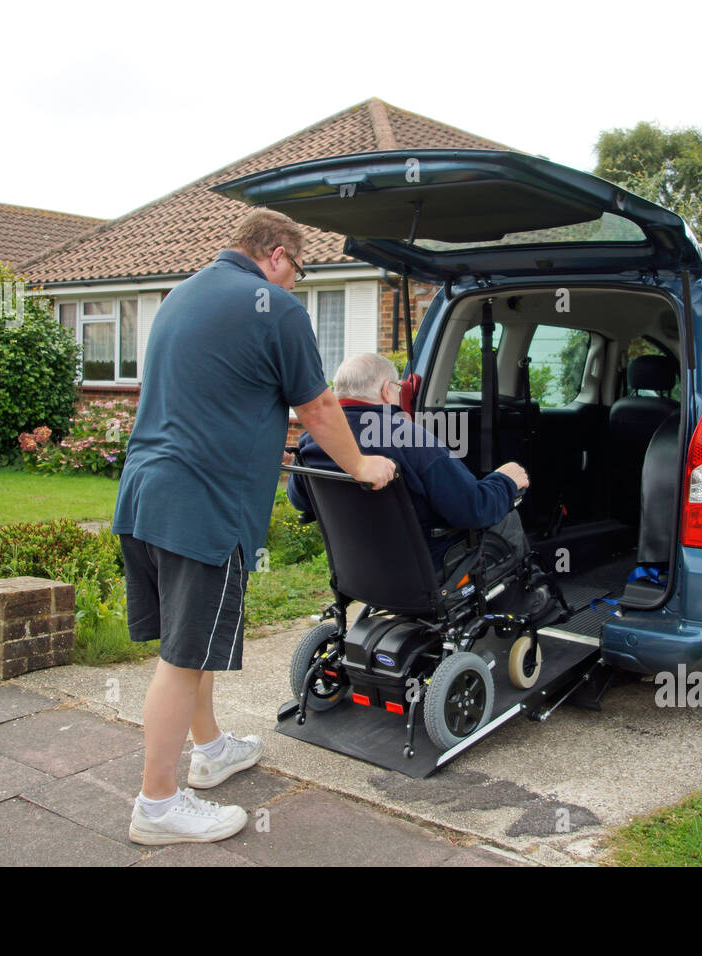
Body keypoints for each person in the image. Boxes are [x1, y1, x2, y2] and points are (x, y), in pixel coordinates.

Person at [114, 210, 395, 846]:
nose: (297, 284)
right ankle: (157, 805)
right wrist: (361, 464)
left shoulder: (181, 293)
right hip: (202, 506)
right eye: (298, 270)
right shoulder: (275, 307)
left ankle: (210, 749)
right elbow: (318, 404)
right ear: (275, 255)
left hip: (145, 493)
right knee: (182, 658)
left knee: (191, 641)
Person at [287, 353, 529, 574]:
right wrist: (506, 480)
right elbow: (473, 509)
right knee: (507, 517)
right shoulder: (410, 437)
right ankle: (526, 601)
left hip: (354, 573)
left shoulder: (314, 439)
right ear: (385, 390)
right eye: (396, 387)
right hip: (428, 570)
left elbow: (300, 501)